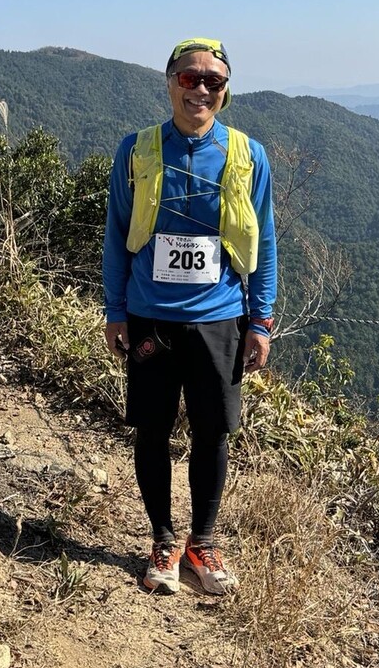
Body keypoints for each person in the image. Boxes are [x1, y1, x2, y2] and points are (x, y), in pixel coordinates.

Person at [102, 37, 277, 594]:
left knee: (213, 433)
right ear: (169, 80)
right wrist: (116, 309)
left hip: (220, 315)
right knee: (151, 431)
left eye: (213, 81)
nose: (200, 88)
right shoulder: (137, 150)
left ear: (225, 92)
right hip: (151, 315)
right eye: (189, 77)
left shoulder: (248, 155)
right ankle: (161, 539)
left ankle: (201, 545)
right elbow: (116, 237)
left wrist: (261, 319)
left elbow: (264, 241)